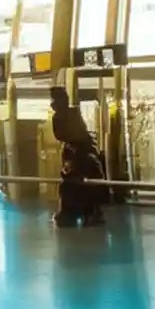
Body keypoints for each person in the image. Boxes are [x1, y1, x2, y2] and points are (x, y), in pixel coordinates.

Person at [50, 87, 106, 228]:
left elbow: (67, 135)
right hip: (78, 151)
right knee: (76, 183)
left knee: (79, 183)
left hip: (79, 152)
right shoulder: (68, 115)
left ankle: (85, 212)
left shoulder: (66, 116)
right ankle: (82, 212)